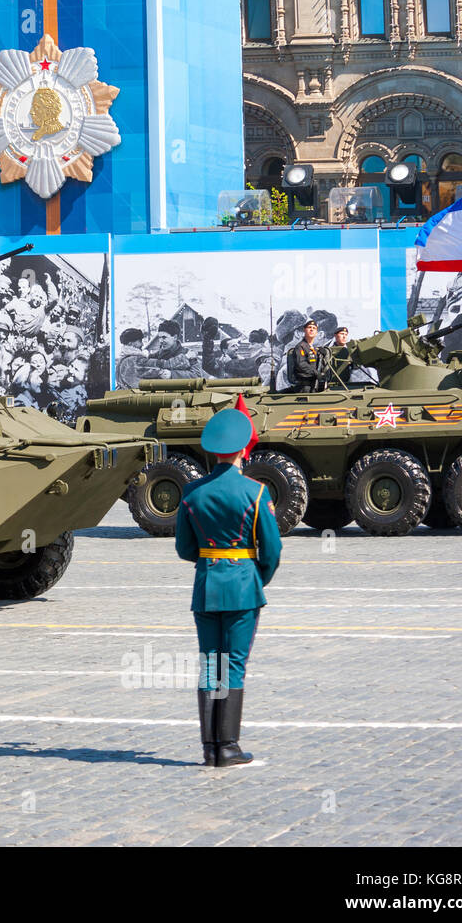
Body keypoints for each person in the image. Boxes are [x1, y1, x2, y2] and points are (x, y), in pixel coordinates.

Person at [175, 409, 282, 767]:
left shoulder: (192, 493)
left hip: (206, 584)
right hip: (242, 585)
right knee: (233, 664)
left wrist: (209, 562)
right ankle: (228, 747)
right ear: (241, 451)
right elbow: (273, 550)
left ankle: (209, 748)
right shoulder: (255, 491)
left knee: (210, 664)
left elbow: (184, 549)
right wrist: (256, 578)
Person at [286, 319, 320, 392]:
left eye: (314, 328)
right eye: (309, 327)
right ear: (305, 330)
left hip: (314, 385)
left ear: (316, 332)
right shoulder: (300, 346)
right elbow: (301, 364)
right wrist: (316, 373)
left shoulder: (314, 349)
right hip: (304, 387)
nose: (311, 330)